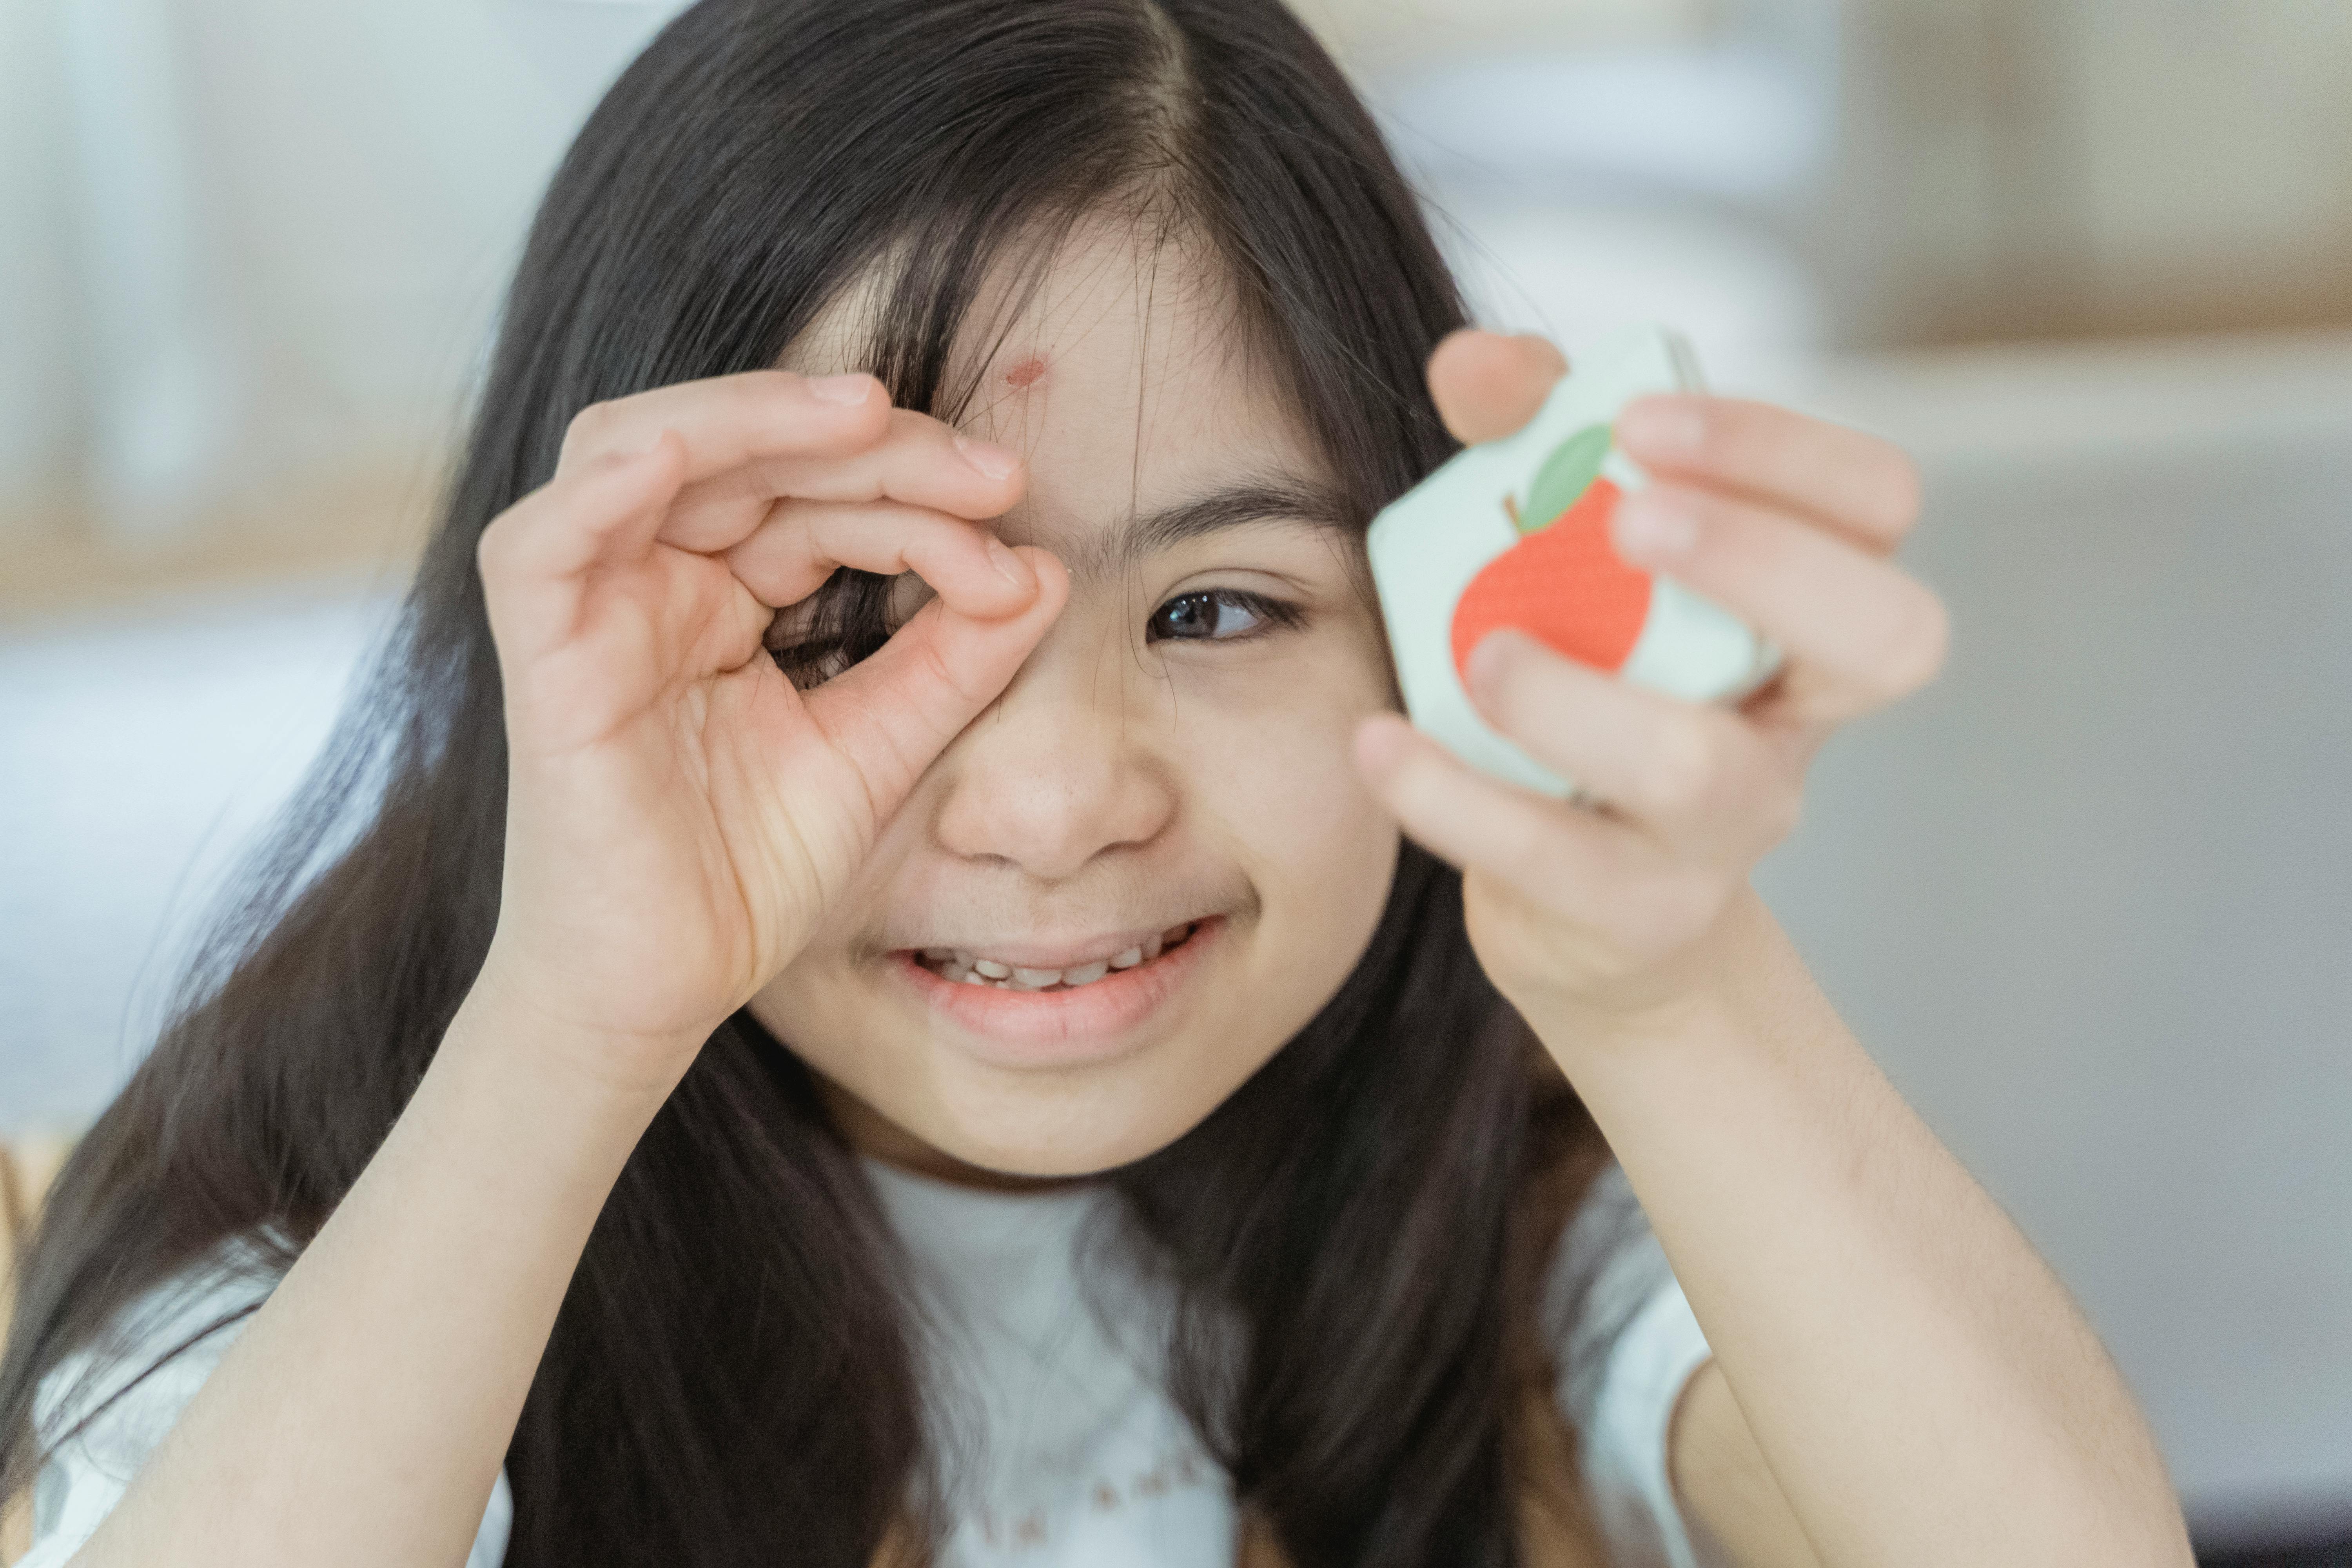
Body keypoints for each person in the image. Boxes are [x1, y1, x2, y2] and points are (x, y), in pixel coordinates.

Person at [0, 1, 2193, 1564]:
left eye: (1221, 611)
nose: (1057, 806)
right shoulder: (311, 1231)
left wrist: (1674, 988)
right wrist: (577, 1019)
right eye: (856, 625)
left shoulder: (1525, 1211)